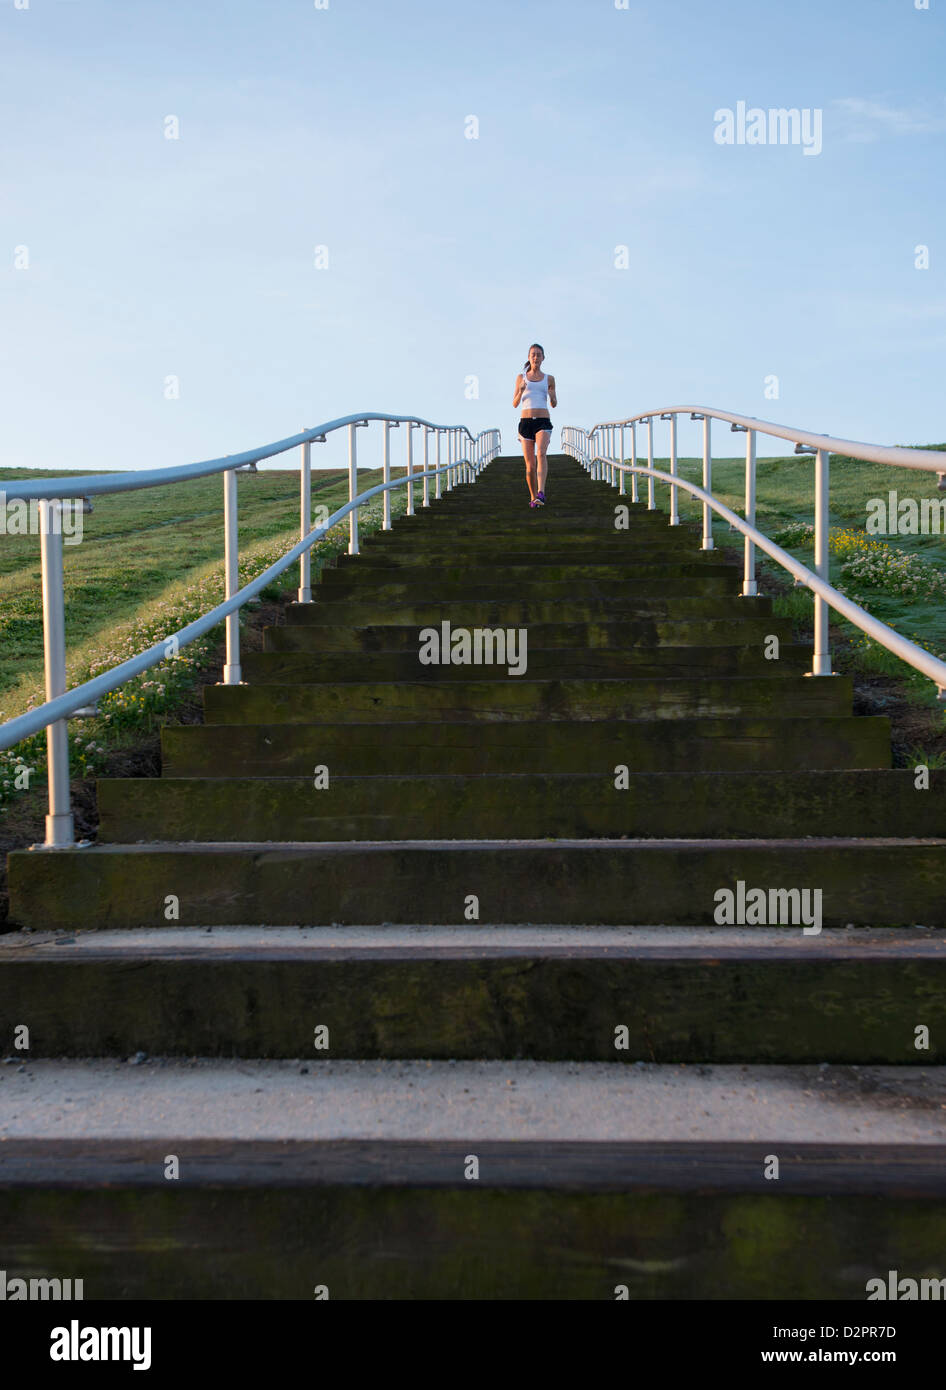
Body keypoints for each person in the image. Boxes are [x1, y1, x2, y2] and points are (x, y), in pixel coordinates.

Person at [513, 343, 557, 508]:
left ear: (543, 358)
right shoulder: (521, 378)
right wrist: (520, 390)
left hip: (543, 421)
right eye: (533, 354)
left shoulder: (549, 379)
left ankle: (541, 492)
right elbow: (514, 403)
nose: (536, 357)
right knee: (530, 466)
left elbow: (554, 403)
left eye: (539, 355)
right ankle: (533, 498)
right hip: (525, 423)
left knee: (541, 453)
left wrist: (552, 396)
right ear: (529, 357)